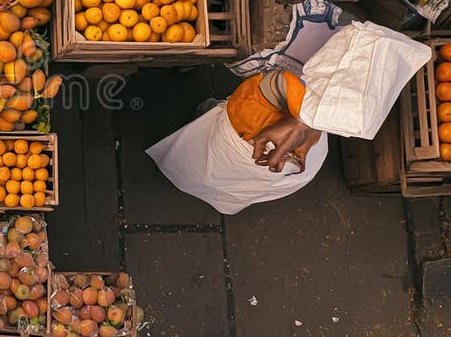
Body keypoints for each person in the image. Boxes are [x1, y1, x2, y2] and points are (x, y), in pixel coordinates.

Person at [147, 20, 430, 215]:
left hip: (234, 143)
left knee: (202, 157)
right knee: (226, 182)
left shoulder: (282, 90)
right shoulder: (331, 128)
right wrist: (306, 123)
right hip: (277, 170)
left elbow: (277, 85)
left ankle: (199, 127)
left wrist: (302, 119)